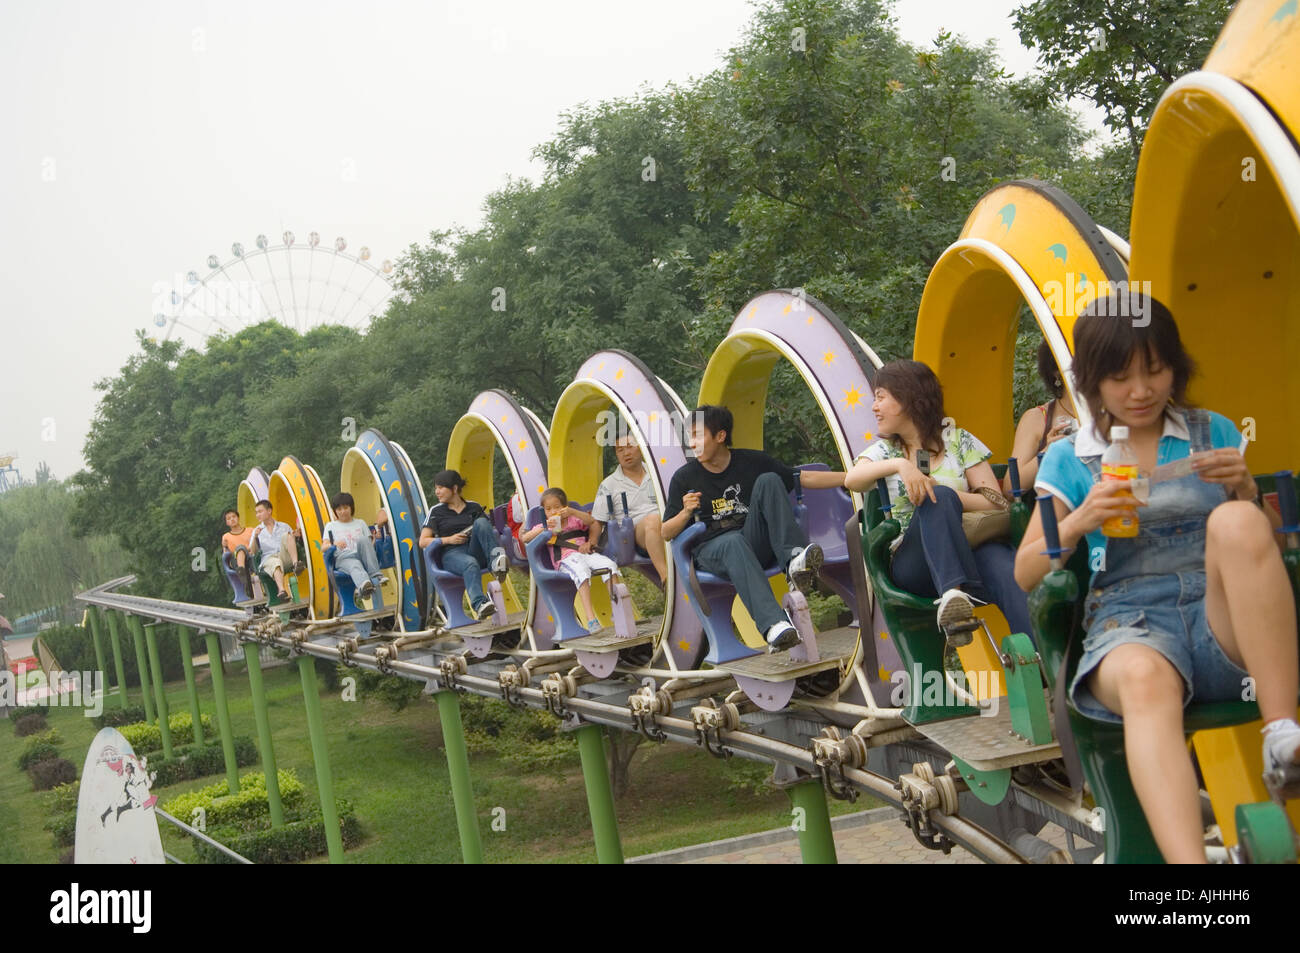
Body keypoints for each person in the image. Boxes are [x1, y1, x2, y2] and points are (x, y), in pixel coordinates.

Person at [1014, 292, 1300, 864]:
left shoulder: (1211, 431)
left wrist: (1246, 491)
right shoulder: (1069, 458)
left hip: (1221, 619)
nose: (1141, 391)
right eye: (1121, 377)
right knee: (1145, 678)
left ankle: (1283, 739)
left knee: (1238, 519)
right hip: (1130, 623)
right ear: (1092, 381)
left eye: (1155, 370)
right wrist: (1081, 518)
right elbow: (1027, 570)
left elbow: (1271, 548)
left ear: (1176, 367)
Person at [844, 359, 1033, 639]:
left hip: (968, 547)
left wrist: (943, 493)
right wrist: (902, 467)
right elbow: (853, 480)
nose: (874, 407)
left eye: (881, 397)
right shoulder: (884, 451)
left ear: (908, 398)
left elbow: (995, 503)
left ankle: (1041, 667)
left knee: (1009, 570)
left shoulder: (959, 441)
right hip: (914, 564)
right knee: (937, 497)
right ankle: (952, 598)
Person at [661, 405, 844, 653]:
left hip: (750, 540)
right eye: (689, 437)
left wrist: (851, 477)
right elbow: (666, 532)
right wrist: (684, 513)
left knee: (770, 480)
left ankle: (793, 560)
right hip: (713, 549)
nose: (692, 443)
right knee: (732, 543)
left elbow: (803, 478)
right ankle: (774, 626)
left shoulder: (753, 461)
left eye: (698, 435)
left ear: (720, 436)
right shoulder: (684, 478)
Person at [522, 487, 623, 634]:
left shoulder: (574, 520)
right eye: (548, 509)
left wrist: (573, 512)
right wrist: (544, 529)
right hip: (566, 559)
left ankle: (619, 610)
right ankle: (591, 619)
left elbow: (592, 522)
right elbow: (525, 538)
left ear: (564, 507)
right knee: (581, 571)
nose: (553, 511)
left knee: (609, 565)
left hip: (585, 554)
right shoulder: (544, 526)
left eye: (557, 507)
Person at [418, 469, 508, 622]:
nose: (437, 492)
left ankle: (496, 564)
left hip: (475, 549)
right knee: (470, 563)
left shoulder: (473, 507)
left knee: (481, 522)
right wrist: (448, 539)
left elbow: (487, 530)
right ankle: (480, 605)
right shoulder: (436, 511)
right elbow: (423, 541)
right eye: (436, 488)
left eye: (440, 488)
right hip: (452, 554)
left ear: (454, 489)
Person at [1003, 340, 1080, 498]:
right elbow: (1011, 488)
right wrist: (1048, 452)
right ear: (1056, 372)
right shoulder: (1037, 418)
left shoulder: (1112, 413)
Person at [590, 432, 668, 580]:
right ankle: (667, 578)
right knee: (652, 520)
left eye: (629, 447)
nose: (626, 453)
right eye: (620, 450)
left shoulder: (658, 473)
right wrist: (592, 543)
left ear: (641, 448)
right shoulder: (609, 484)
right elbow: (597, 520)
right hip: (635, 535)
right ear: (616, 455)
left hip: (668, 525)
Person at [322, 492, 390, 607]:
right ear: (335, 511)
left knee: (363, 539)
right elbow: (323, 547)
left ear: (351, 508)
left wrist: (373, 540)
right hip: (344, 558)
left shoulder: (360, 523)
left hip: (361, 555)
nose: (342, 511)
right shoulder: (331, 526)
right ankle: (364, 586)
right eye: (339, 509)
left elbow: (369, 544)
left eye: (345, 508)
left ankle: (376, 576)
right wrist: (334, 543)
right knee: (354, 564)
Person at [248, 499, 304, 600]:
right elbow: (253, 551)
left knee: (288, 535)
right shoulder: (256, 531)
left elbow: (291, 541)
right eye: (256, 512)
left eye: (260, 511)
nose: (257, 515)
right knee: (275, 562)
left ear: (269, 511)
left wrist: (296, 536)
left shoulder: (284, 526)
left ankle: (296, 565)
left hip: (284, 557)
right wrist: (255, 537)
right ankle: (282, 590)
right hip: (269, 559)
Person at [220, 508, 255, 600]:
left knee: (245, 551)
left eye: (234, 516)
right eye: (229, 518)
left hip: (250, 557)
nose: (232, 519)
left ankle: (244, 575)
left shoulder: (250, 530)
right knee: (240, 548)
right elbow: (225, 554)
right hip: (236, 560)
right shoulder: (226, 537)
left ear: (238, 518)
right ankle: (241, 570)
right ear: (227, 523)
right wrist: (225, 547)